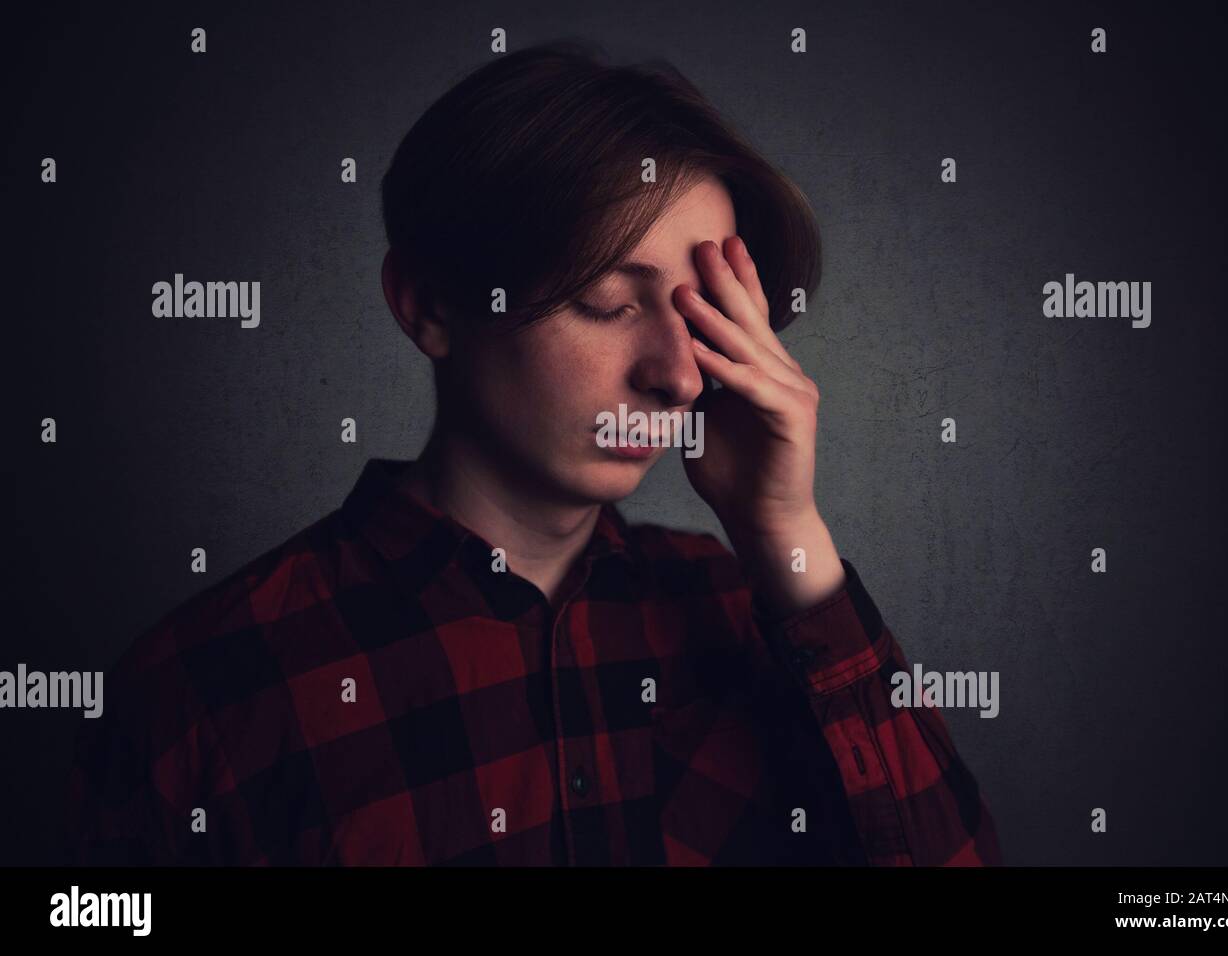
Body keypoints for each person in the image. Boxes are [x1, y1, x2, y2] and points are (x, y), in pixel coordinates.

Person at [68, 39, 1001, 866]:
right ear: (430, 304)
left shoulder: (748, 612)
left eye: (706, 318)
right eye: (609, 302)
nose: (680, 377)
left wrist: (786, 532)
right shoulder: (207, 688)